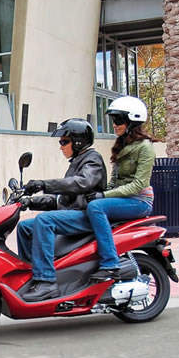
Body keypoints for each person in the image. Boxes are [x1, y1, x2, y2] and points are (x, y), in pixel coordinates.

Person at [16, 118, 107, 302]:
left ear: (78, 141)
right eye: (61, 142)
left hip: (86, 215)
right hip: (74, 213)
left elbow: (81, 183)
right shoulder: (77, 161)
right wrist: (29, 202)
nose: (61, 146)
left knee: (44, 221)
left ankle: (47, 282)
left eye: (64, 141)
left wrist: (44, 184)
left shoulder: (92, 160)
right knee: (24, 227)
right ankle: (33, 276)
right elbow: (61, 201)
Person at [83, 96, 156, 281]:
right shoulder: (122, 145)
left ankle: (110, 264)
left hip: (139, 201)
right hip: (124, 198)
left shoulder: (145, 148)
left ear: (132, 121)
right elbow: (114, 181)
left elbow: (139, 184)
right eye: (114, 120)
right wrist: (95, 193)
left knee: (96, 207)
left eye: (119, 120)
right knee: (87, 204)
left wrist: (103, 196)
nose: (114, 125)